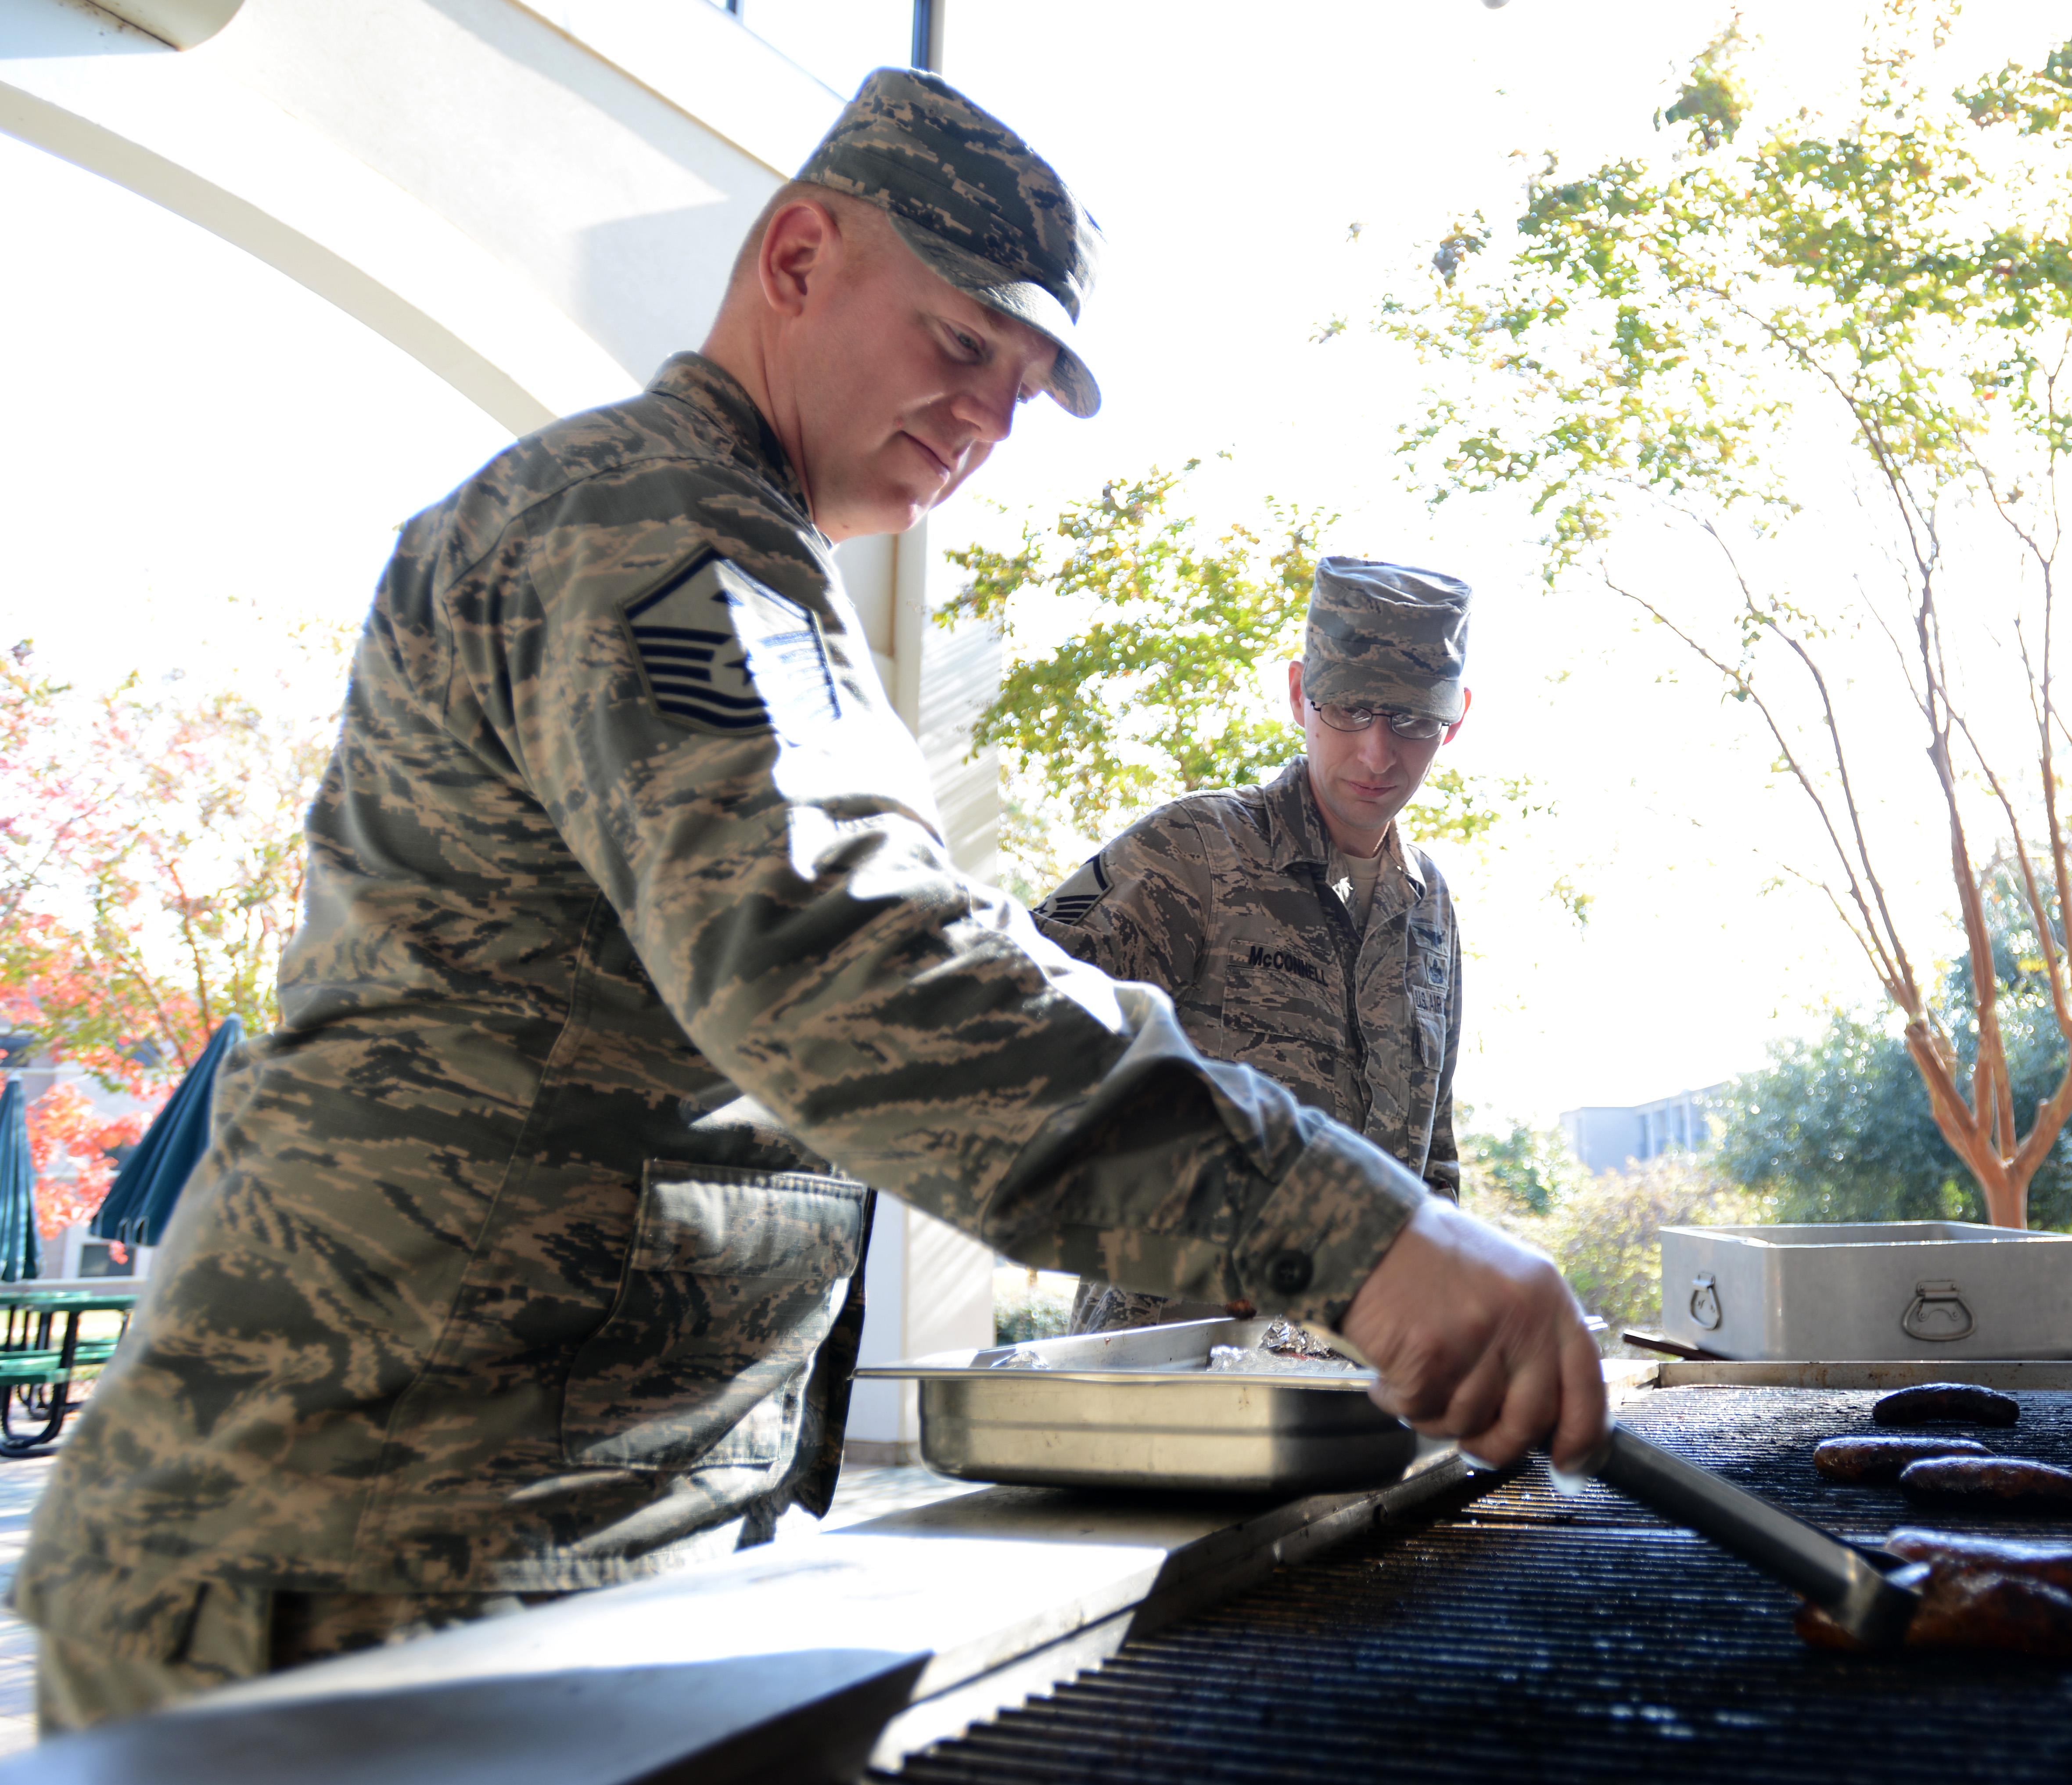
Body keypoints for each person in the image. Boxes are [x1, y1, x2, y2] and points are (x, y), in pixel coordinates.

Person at [16, 69, 1602, 1732]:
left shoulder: (744, 559)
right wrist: (1351, 1231)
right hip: (358, 1536)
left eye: (1022, 388)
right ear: (795, 260)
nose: (986, 420)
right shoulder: (646, 526)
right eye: (961, 342)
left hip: (534, 1534)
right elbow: (851, 965)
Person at [1038, 558, 1472, 1333]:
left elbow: (1432, 1162)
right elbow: (1020, 1024)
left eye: (1412, 720)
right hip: (1165, 1362)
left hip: (1347, 1372)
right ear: (1300, 693)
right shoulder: (1193, 852)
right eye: (1349, 710)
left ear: (1456, 718)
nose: (1378, 753)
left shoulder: (1428, 907)